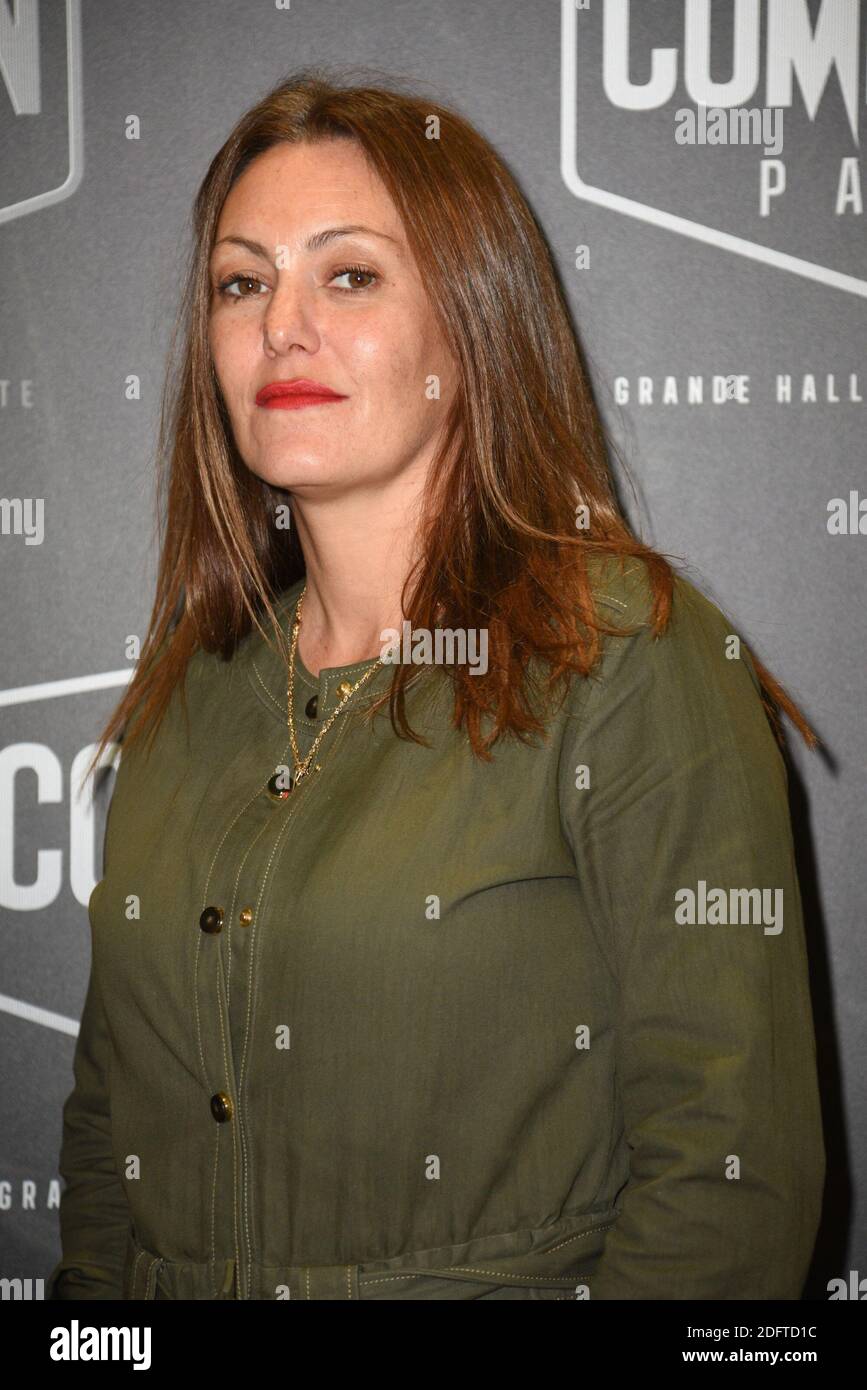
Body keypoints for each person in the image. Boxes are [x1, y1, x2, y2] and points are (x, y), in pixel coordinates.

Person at [47, 68, 825, 1301]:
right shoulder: (190, 687)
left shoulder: (628, 658)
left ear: (473, 320)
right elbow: (108, 1132)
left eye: (348, 273)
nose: (280, 326)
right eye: (242, 283)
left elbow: (726, 1190)